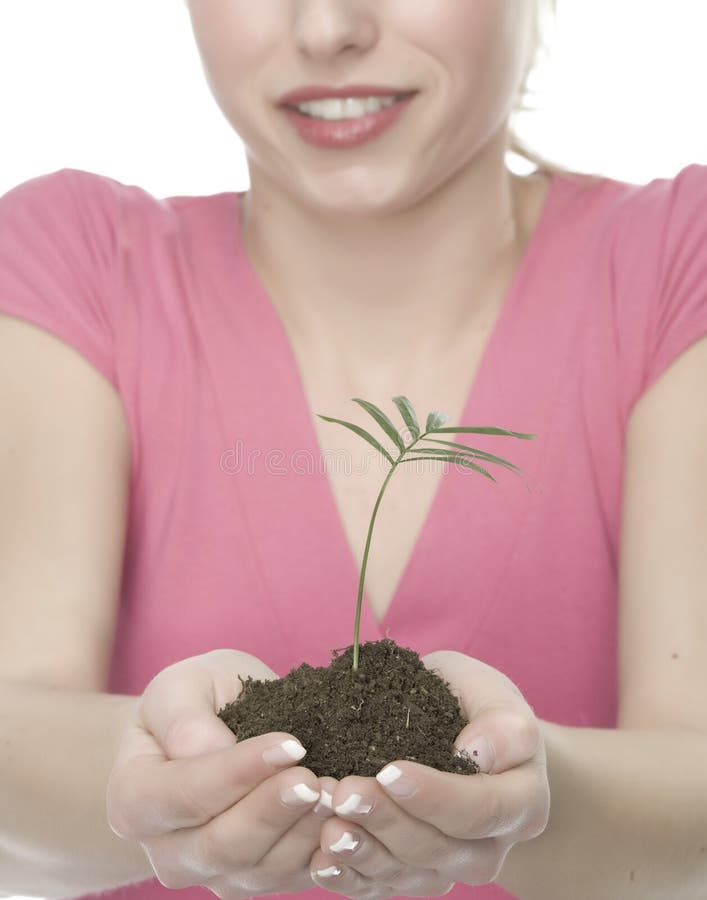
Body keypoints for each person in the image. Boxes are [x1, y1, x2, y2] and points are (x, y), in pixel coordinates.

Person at [0, 1, 706, 898]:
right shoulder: (80, 262)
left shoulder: (675, 264)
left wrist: (528, 793)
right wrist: (156, 765)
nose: (328, 28)